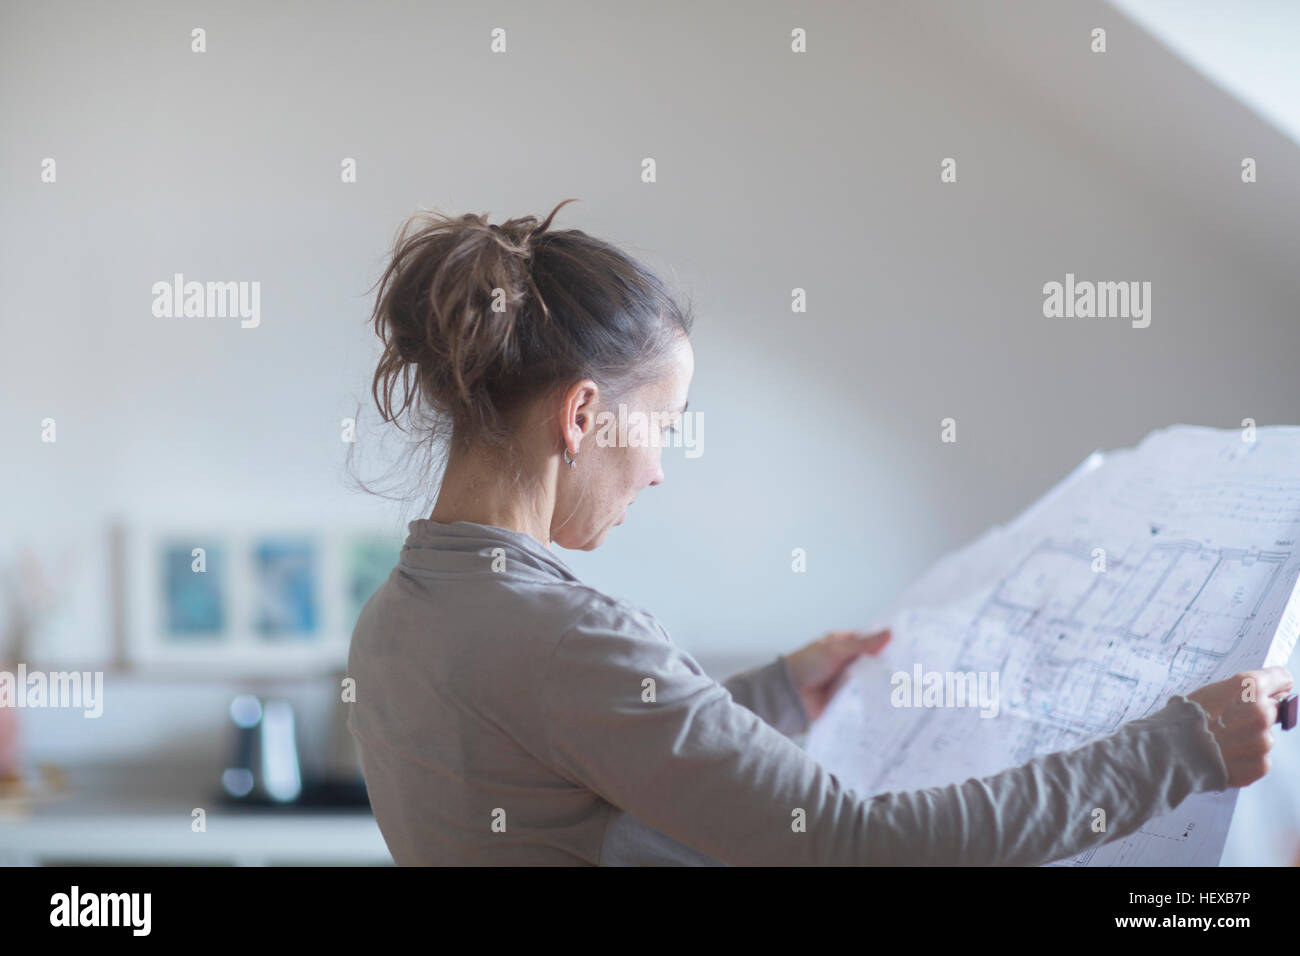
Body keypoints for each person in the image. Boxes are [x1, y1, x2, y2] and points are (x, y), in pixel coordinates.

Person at [346, 199, 1290, 865]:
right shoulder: (562, 636)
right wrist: (1178, 748)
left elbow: (581, 770)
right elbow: (857, 847)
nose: (661, 469)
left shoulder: (397, 617)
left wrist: (779, 695)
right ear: (583, 415)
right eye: (666, 428)